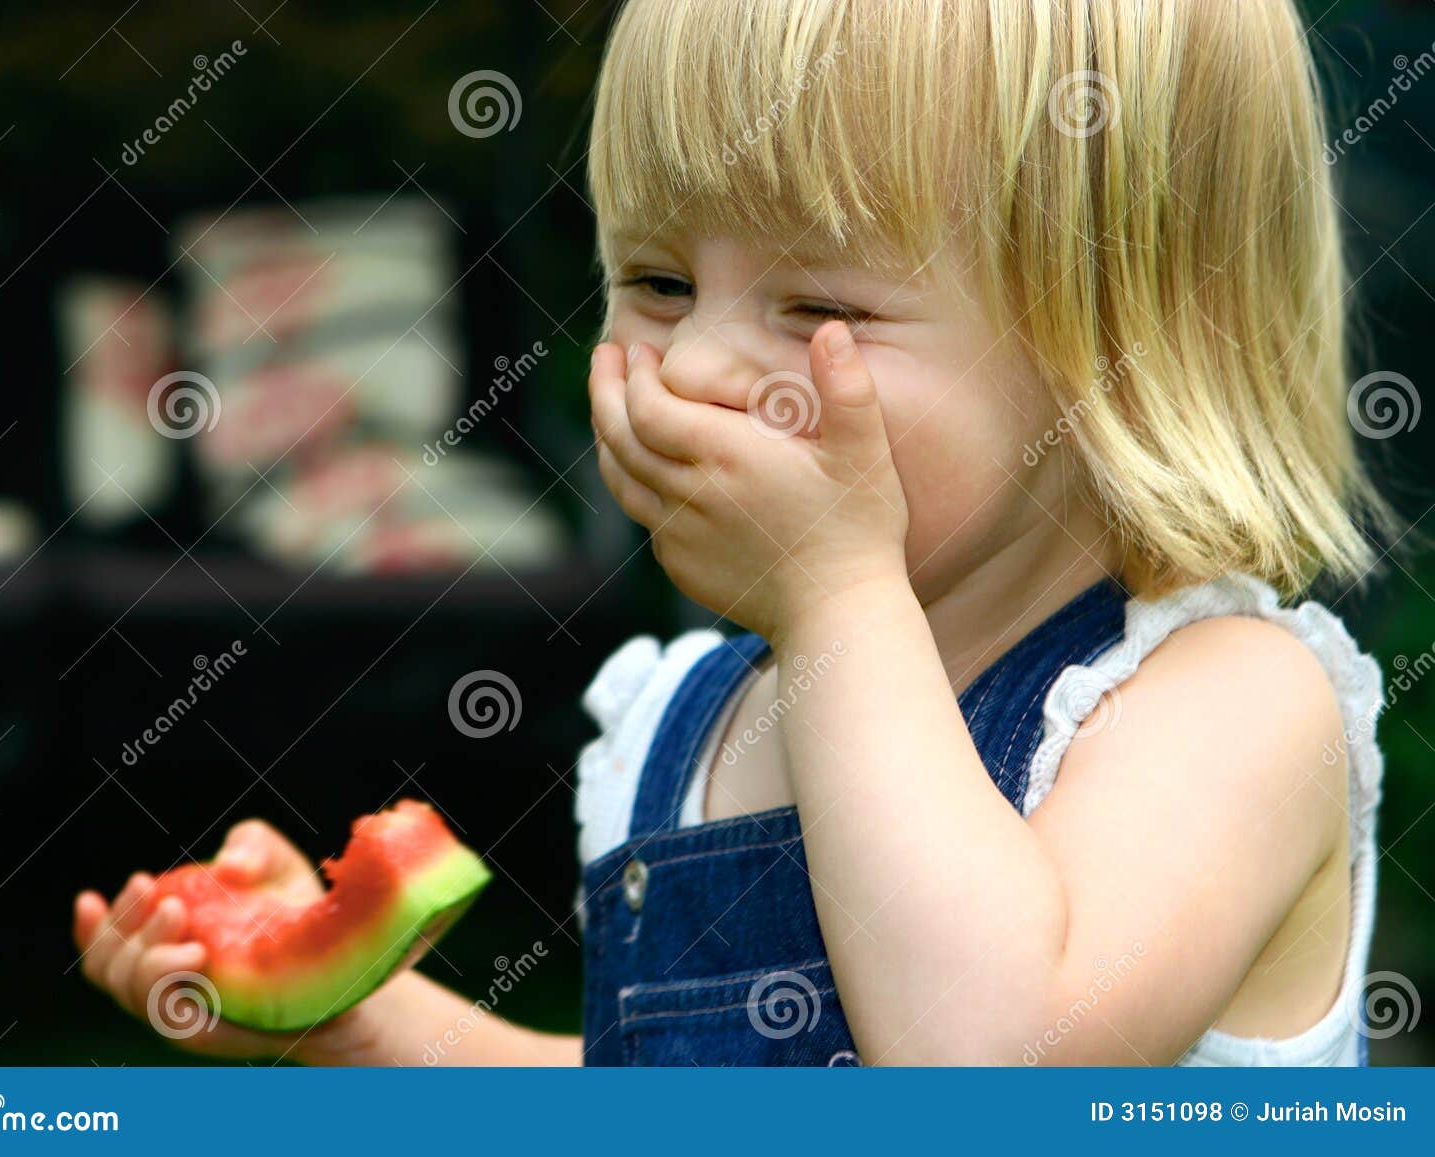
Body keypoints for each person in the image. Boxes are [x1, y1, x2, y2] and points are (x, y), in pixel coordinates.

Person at [75, 0, 1390, 1065]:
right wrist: (371, 1023)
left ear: (1121, 340)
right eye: (656, 282)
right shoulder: (688, 724)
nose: (695, 362)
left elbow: (990, 1063)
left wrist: (835, 594)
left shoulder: (1228, 710)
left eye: (816, 298)